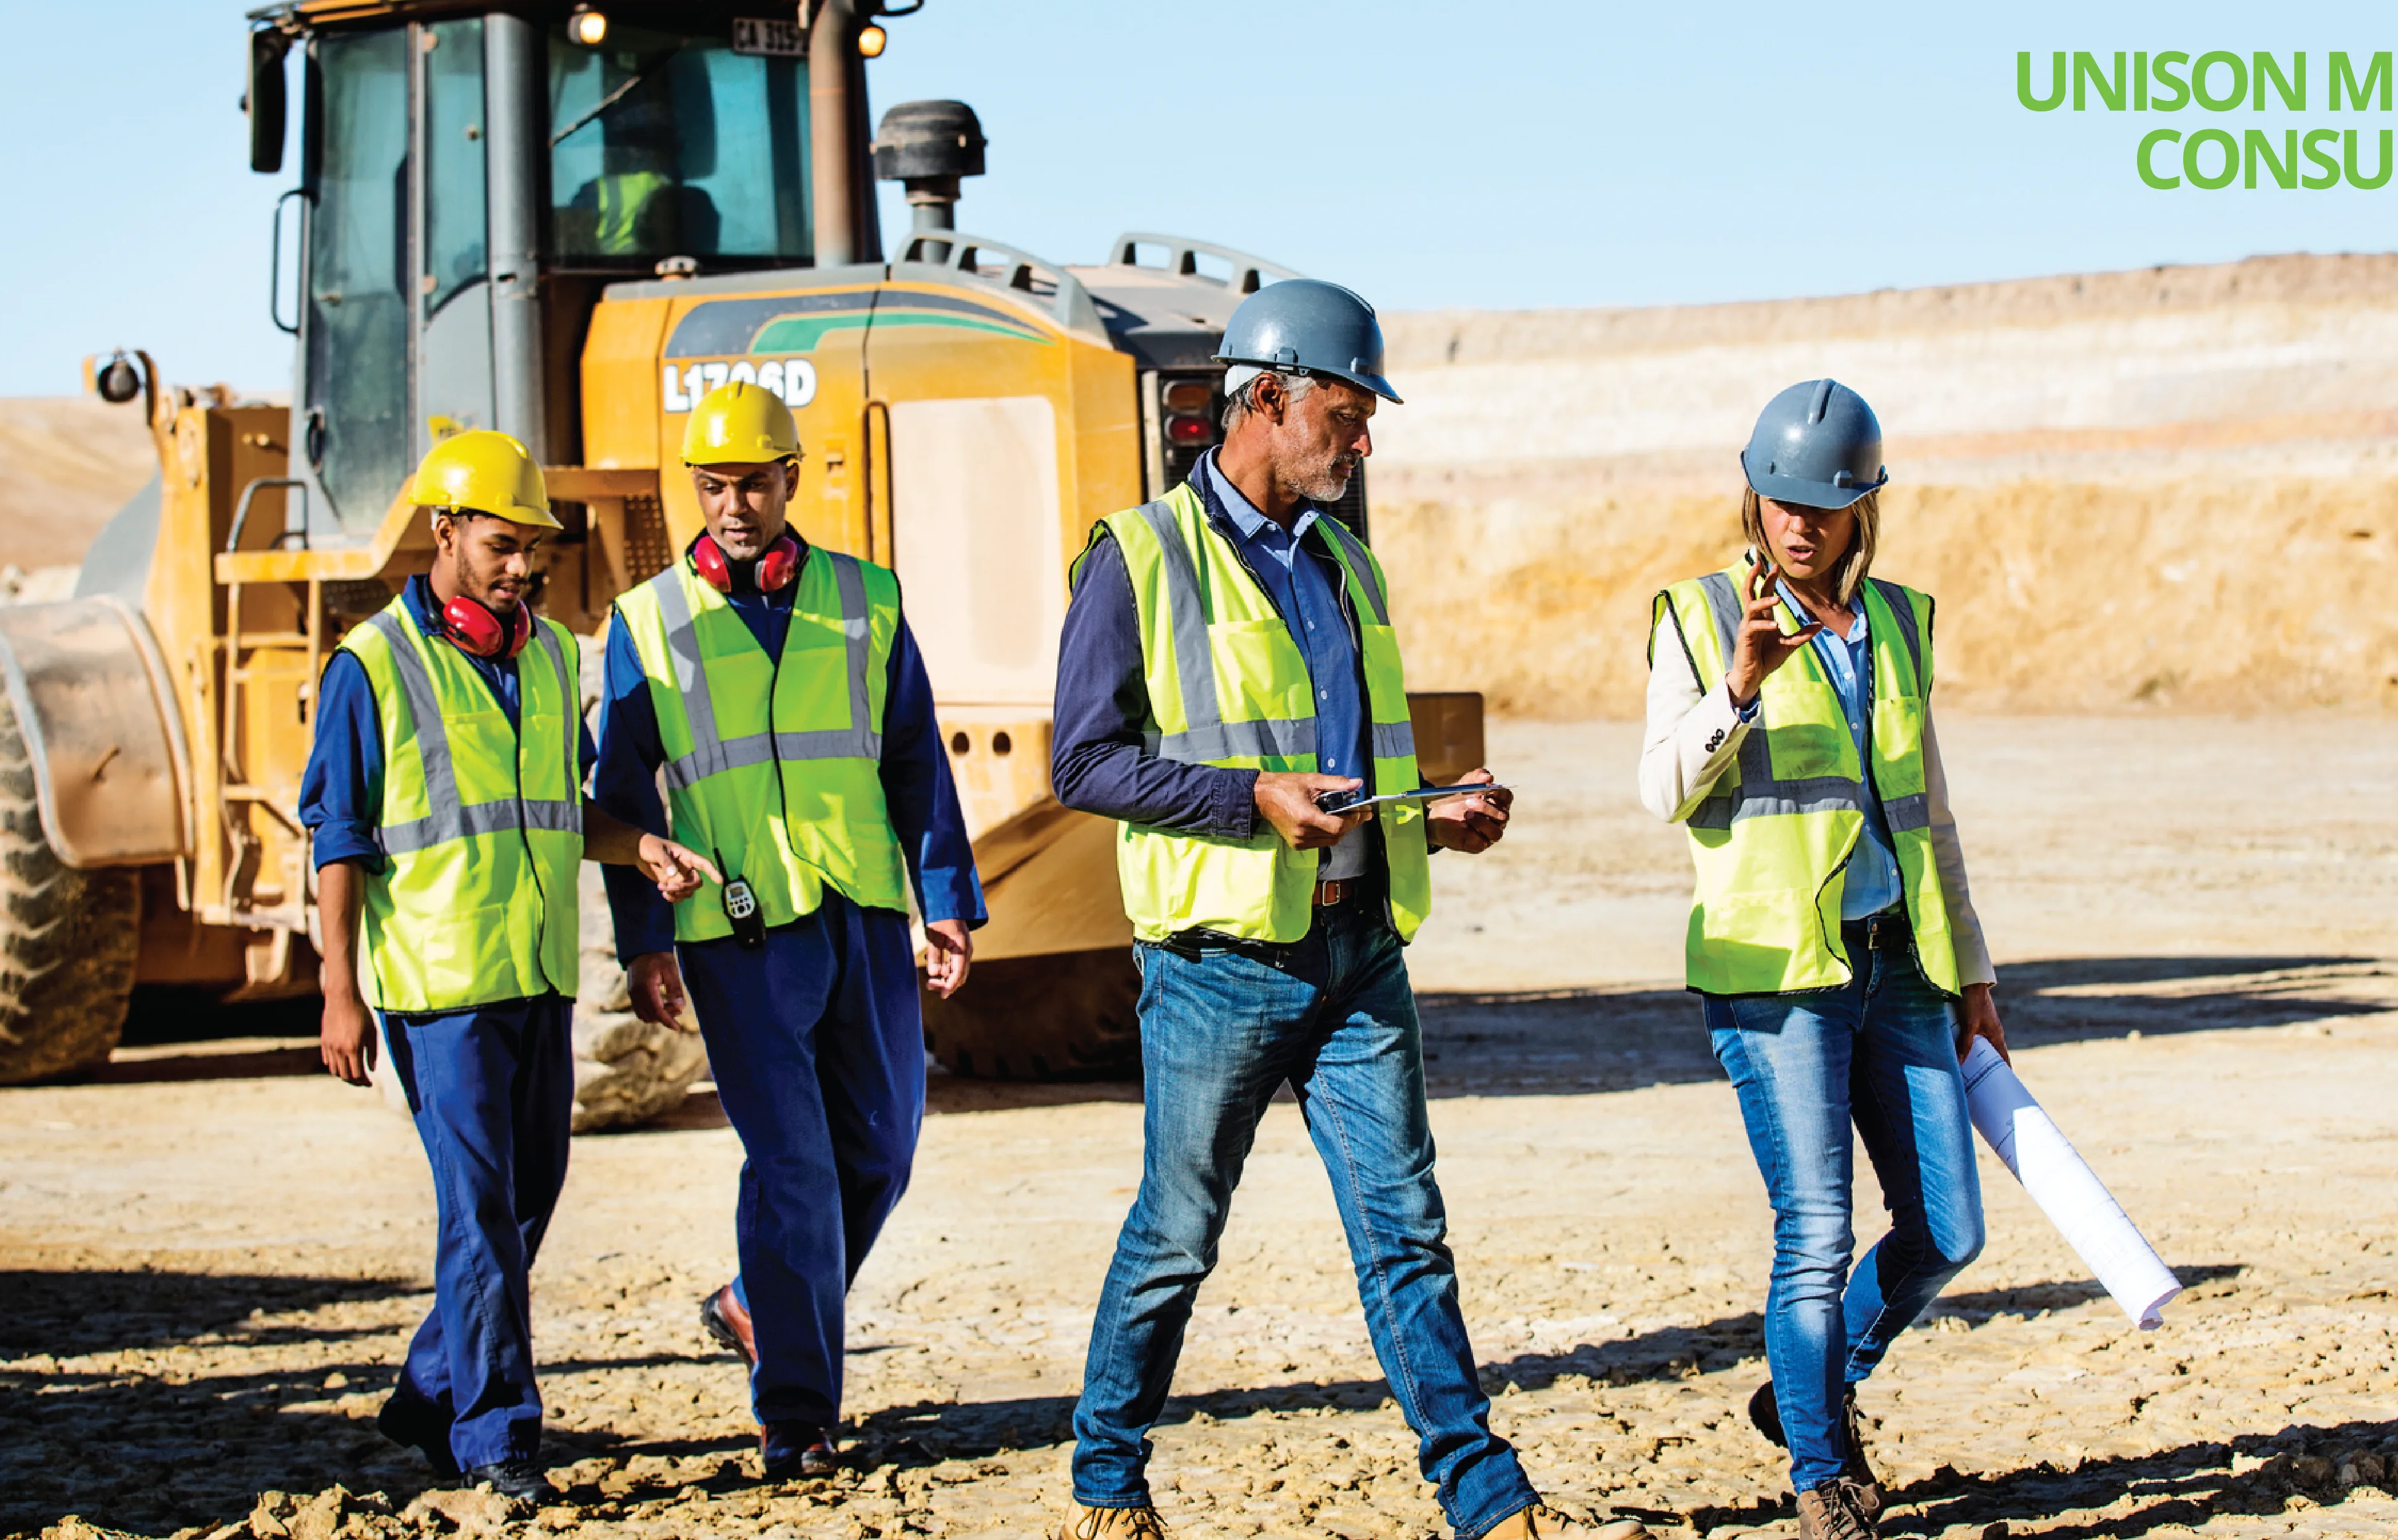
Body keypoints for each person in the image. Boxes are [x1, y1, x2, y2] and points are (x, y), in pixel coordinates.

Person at [1049, 278, 1643, 1540]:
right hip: (1218, 970)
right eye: (1346, 409)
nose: (1362, 438)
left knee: (1405, 1233)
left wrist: (1434, 809)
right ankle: (1106, 1481)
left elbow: (1352, 768)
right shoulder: (1137, 556)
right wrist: (1244, 798)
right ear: (1264, 400)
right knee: (1176, 1237)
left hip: (1359, 952)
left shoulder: (1348, 564)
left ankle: (1484, 1496)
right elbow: (1084, 765)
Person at [305, 430, 718, 1506]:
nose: (522, 566)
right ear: (445, 531)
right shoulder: (371, 665)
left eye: (532, 548)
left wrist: (638, 845)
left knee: (531, 1196)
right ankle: (499, 1436)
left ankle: (426, 1392)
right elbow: (339, 838)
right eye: (499, 544)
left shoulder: (542, 657)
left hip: (534, 972)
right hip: (437, 986)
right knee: (481, 1208)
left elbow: (554, 812)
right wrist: (338, 992)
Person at [592, 380, 985, 1480]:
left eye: (752, 484)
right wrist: (644, 942)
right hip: (739, 929)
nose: (732, 506)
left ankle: (754, 1300)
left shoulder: (865, 599)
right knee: (795, 1167)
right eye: (712, 486)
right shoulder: (648, 621)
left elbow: (914, 757)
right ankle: (798, 1414)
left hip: (861, 913)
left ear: (791, 481)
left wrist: (944, 896)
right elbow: (622, 799)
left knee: (885, 1150)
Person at [1638, 380, 2007, 1540]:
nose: (1800, 523)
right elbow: (1662, 792)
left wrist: (1977, 975)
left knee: (1949, 1229)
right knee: (1817, 1233)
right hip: (1776, 970)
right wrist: (1738, 686)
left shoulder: (1896, 623)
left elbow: (1930, 812)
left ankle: (1805, 1386)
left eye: (1825, 505)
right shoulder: (1698, 617)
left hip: (1900, 963)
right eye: (1781, 499)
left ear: (1863, 510)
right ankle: (1819, 1469)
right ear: (1753, 495)